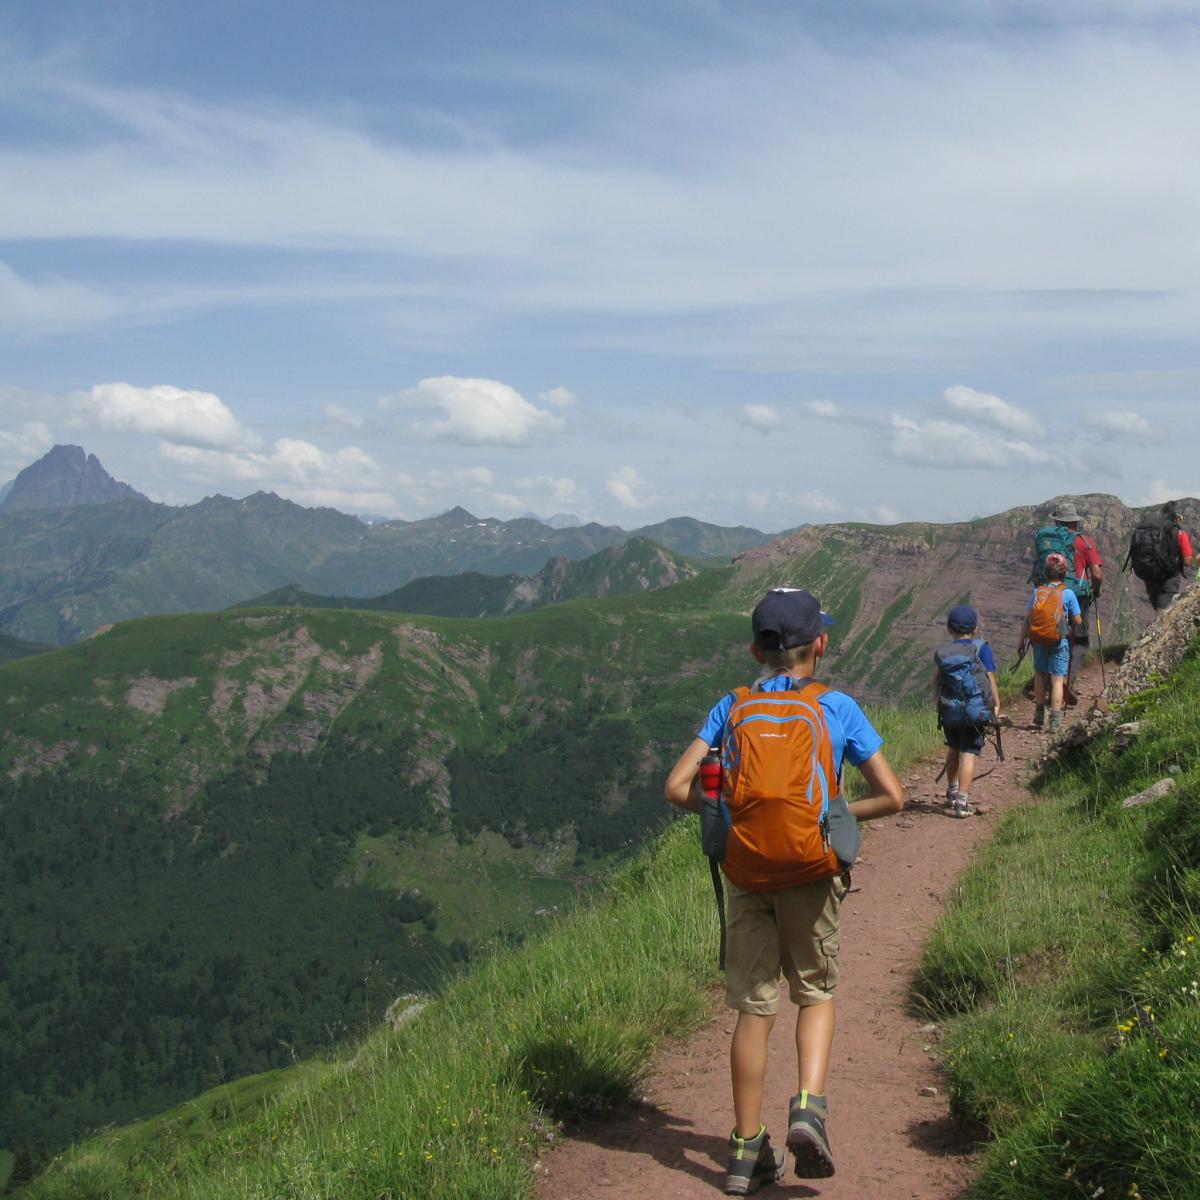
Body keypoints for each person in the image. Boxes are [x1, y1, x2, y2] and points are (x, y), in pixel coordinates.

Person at [665, 588, 904, 1193]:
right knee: (816, 991)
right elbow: (894, 796)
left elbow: (677, 787)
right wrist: (836, 818)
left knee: (753, 1006)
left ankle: (746, 1152)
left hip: (748, 876)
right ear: (820, 644)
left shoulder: (732, 704)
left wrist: (731, 821)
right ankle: (808, 1108)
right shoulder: (838, 707)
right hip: (811, 874)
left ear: (756, 650)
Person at [932, 605, 999, 819]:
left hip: (950, 712)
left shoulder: (944, 653)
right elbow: (989, 679)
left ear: (950, 628)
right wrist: (995, 705)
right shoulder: (980, 648)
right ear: (975, 628)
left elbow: (936, 682)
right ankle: (962, 801)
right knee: (968, 752)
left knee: (953, 748)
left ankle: (951, 791)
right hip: (974, 711)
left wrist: (940, 706)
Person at [1045, 502, 1103, 701]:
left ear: (1056, 521)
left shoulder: (1047, 541)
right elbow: (1096, 573)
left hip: (1049, 595)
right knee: (1079, 639)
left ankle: (1050, 679)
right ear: (1074, 523)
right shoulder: (1084, 541)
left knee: (1054, 635)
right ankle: (1067, 680)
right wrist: (1096, 590)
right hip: (1077, 596)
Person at [1020, 553, 1082, 733]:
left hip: (1038, 640)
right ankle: (1055, 720)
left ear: (1046, 573)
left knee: (1040, 674)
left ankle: (1039, 714)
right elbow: (1077, 621)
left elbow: (1028, 618)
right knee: (1057, 679)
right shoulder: (1068, 593)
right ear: (1064, 573)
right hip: (1058, 641)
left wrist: (1021, 641)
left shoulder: (1037, 592)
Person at [1141, 502, 1195, 611]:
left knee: (1158, 609)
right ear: (1176, 518)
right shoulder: (1180, 534)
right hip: (1168, 581)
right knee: (1162, 614)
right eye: (1180, 518)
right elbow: (1188, 561)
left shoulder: (1152, 533)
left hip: (1150, 579)